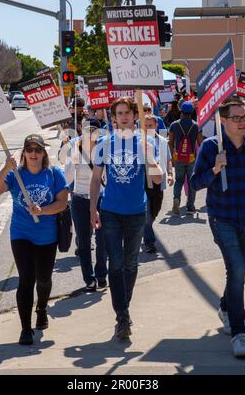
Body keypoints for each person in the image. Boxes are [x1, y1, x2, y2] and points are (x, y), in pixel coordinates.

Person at [191, 98, 245, 358]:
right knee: (236, 271)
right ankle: (240, 333)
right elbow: (195, 182)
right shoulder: (212, 147)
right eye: (236, 118)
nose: (243, 121)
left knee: (238, 273)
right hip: (222, 220)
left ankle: (225, 306)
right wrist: (215, 168)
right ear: (223, 121)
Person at [90, 97, 163, 340]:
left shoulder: (146, 142)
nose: (122, 117)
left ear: (134, 116)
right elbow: (95, 178)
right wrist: (93, 209)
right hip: (110, 211)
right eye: (118, 113)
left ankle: (124, 308)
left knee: (131, 264)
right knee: (116, 264)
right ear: (113, 118)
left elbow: (158, 179)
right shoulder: (104, 142)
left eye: (126, 113)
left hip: (136, 212)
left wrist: (150, 159)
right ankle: (122, 314)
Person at [0, 134, 69, 345]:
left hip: (47, 236)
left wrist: (43, 211)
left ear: (44, 153)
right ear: (24, 152)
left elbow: (62, 203)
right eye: (29, 150)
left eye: (38, 150)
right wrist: (6, 168)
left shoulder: (53, 173)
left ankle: (41, 308)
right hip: (21, 234)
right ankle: (25, 328)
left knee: (43, 279)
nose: (33, 154)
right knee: (26, 279)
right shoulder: (16, 175)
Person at [60, 118, 107, 291]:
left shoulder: (104, 149)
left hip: (101, 199)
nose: (90, 133)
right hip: (79, 199)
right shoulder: (74, 148)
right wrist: (72, 160)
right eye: (87, 130)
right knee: (84, 242)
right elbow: (68, 179)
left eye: (94, 130)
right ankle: (90, 279)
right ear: (81, 130)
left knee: (102, 240)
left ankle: (102, 274)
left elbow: (108, 178)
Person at [143, 114, 174, 253]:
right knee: (147, 214)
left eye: (150, 125)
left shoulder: (162, 140)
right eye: (145, 125)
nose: (148, 128)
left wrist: (171, 174)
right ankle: (149, 242)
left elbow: (168, 159)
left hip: (158, 182)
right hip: (143, 183)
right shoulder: (138, 141)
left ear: (156, 125)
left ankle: (144, 229)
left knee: (155, 211)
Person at [169, 101, 203, 215]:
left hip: (178, 157)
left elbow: (171, 142)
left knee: (178, 181)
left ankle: (176, 199)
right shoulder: (196, 125)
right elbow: (200, 143)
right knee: (191, 182)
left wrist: (172, 156)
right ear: (192, 111)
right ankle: (190, 207)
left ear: (181, 111)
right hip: (191, 158)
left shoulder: (174, 125)